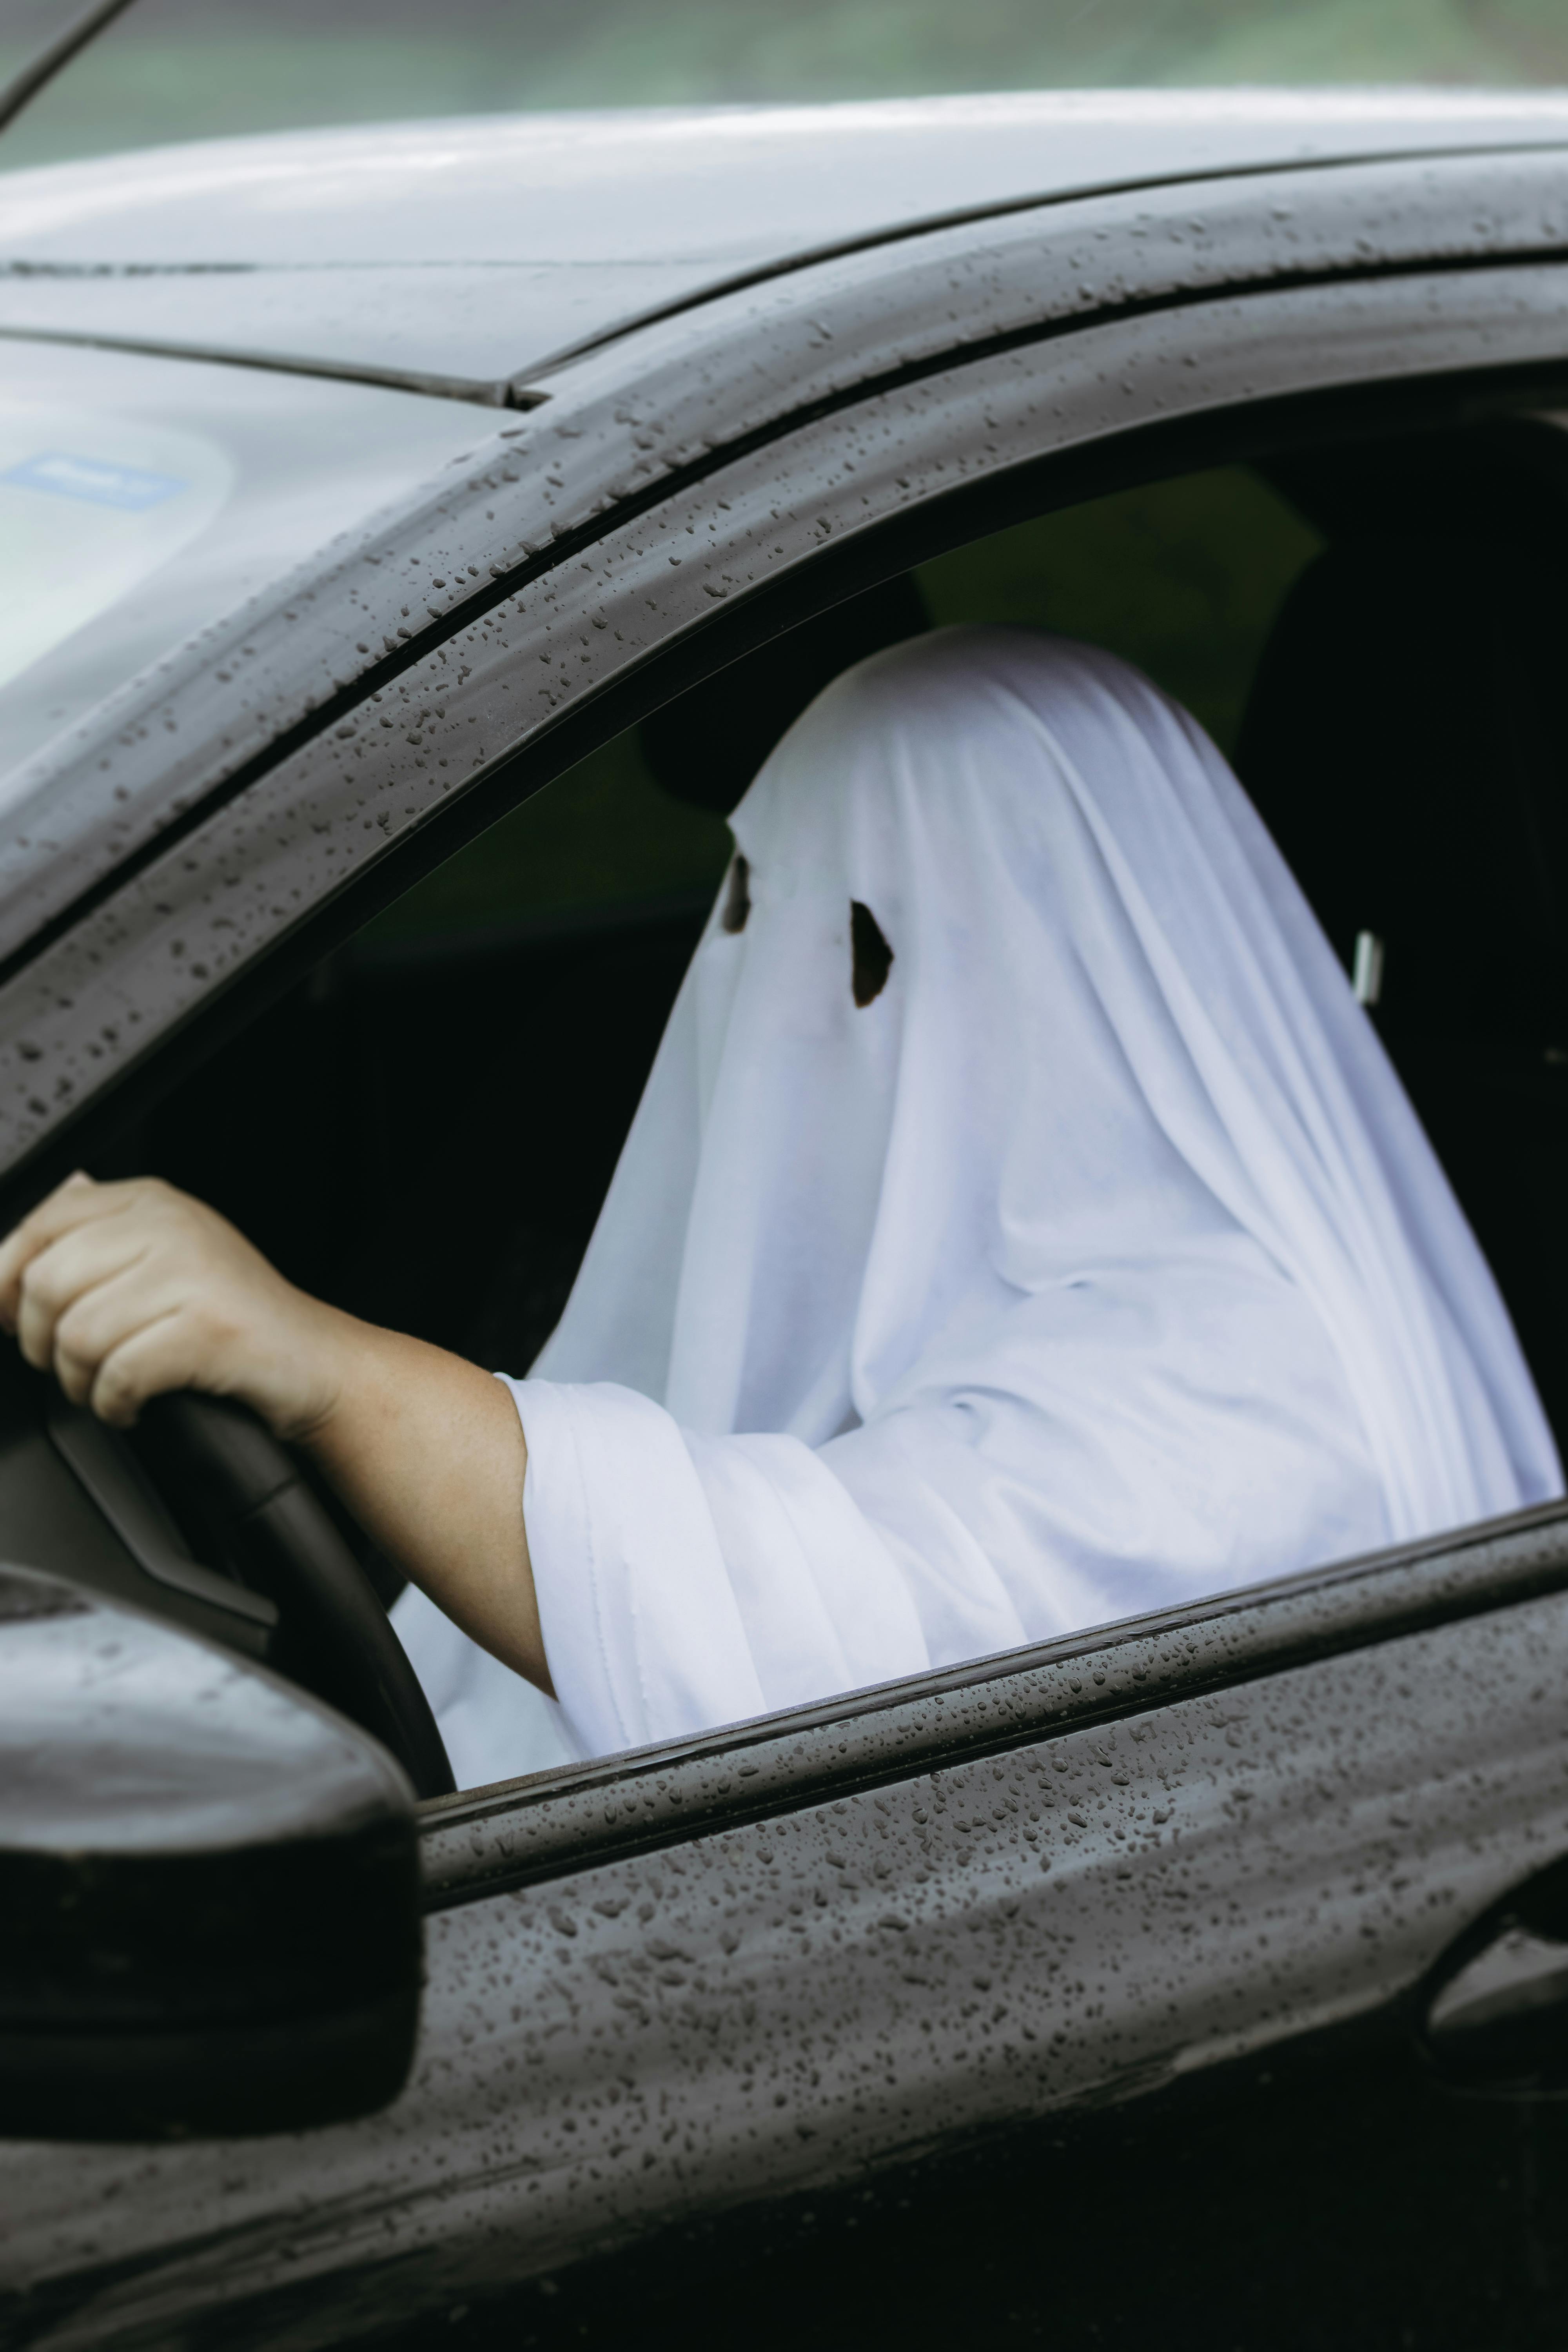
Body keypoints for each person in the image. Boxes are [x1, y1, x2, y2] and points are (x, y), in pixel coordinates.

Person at [0, 628, 1558, 1788]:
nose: (784, 1009)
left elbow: (844, 1625)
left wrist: (322, 1368)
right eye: (754, 917)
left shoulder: (1245, 1387)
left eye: (863, 941)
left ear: (1084, 971)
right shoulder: (972, 1287)